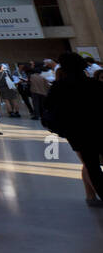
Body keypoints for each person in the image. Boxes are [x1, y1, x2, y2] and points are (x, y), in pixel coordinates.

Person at [42, 52, 103, 207]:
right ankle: (91, 196)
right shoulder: (94, 84)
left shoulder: (59, 87)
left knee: (91, 165)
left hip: (76, 131)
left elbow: (48, 108)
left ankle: (96, 195)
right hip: (98, 127)